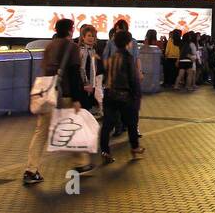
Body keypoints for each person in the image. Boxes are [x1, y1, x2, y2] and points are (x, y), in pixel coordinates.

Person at [23, 18, 93, 185]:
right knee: (71, 127)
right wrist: (77, 98)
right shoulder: (72, 47)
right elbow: (74, 73)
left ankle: (31, 170)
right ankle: (82, 162)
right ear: (70, 30)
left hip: (47, 93)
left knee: (41, 133)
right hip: (63, 94)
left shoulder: (50, 46)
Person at [100, 30, 145, 163]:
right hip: (124, 95)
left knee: (107, 125)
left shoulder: (112, 58)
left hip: (109, 94)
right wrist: (137, 96)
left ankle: (104, 151)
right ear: (128, 43)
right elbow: (133, 79)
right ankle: (135, 147)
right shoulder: (128, 58)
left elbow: (106, 74)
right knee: (131, 122)